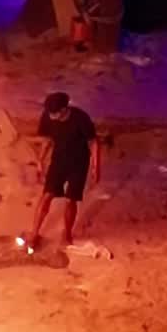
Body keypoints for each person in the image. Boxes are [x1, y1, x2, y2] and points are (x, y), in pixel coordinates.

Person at [25, 91, 97, 249]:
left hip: (79, 163)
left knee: (71, 199)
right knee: (46, 196)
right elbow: (47, 140)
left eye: (55, 112)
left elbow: (93, 142)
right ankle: (34, 233)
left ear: (65, 109)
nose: (51, 116)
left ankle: (67, 233)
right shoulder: (48, 116)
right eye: (49, 112)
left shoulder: (81, 118)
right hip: (58, 161)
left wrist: (95, 168)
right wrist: (40, 160)